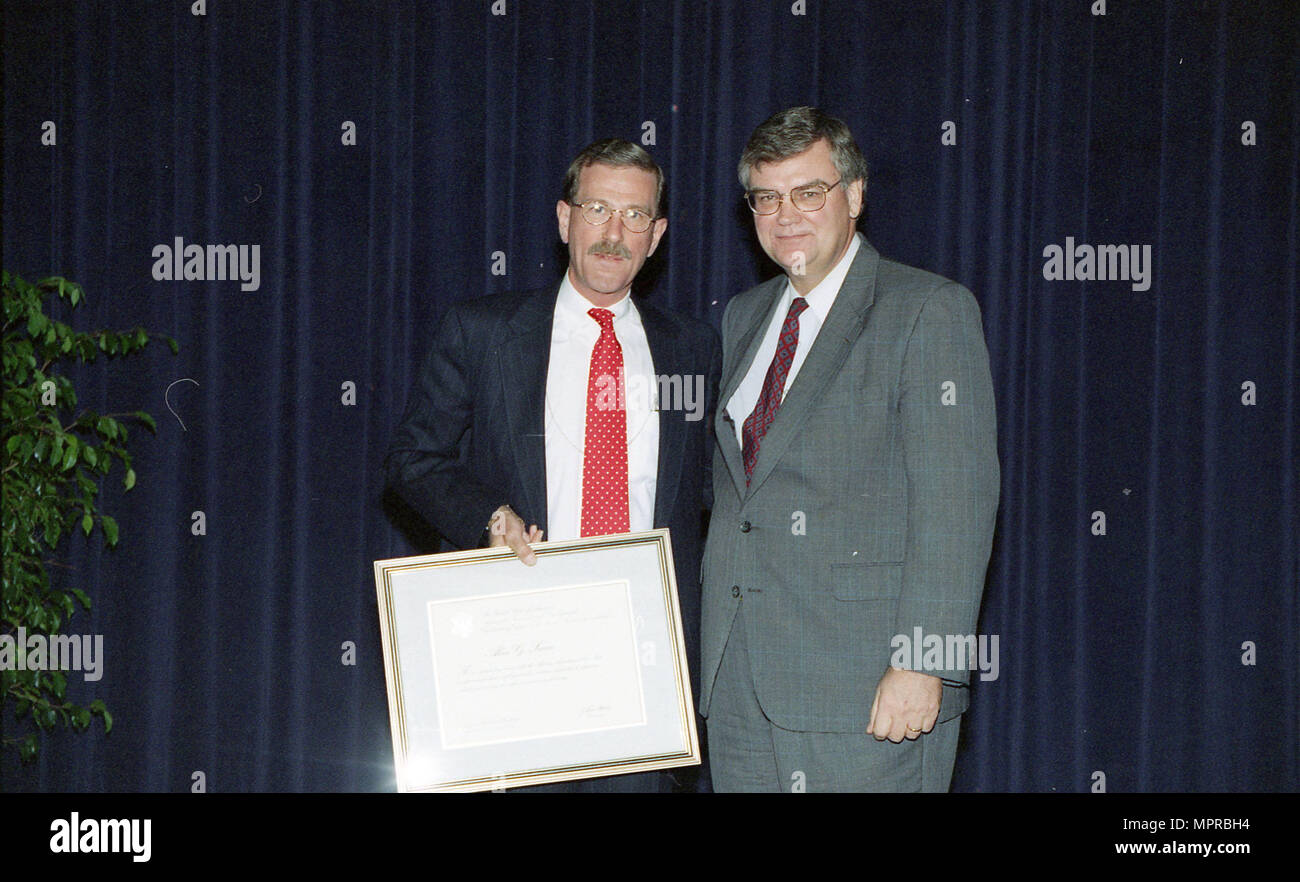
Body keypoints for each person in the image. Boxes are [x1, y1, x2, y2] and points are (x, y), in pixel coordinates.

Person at [384, 138, 721, 792]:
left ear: (657, 235)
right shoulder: (482, 331)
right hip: (517, 649)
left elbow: (711, 490)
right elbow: (413, 459)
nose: (614, 233)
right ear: (565, 219)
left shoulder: (694, 347)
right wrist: (489, 515)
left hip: (645, 663)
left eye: (634, 216)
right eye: (597, 208)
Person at [699, 107, 999, 792]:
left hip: (867, 687)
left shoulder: (927, 309)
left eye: (809, 192)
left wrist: (926, 662)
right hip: (740, 681)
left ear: (855, 195)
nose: (786, 215)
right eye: (766, 198)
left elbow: (957, 501)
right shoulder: (744, 318)